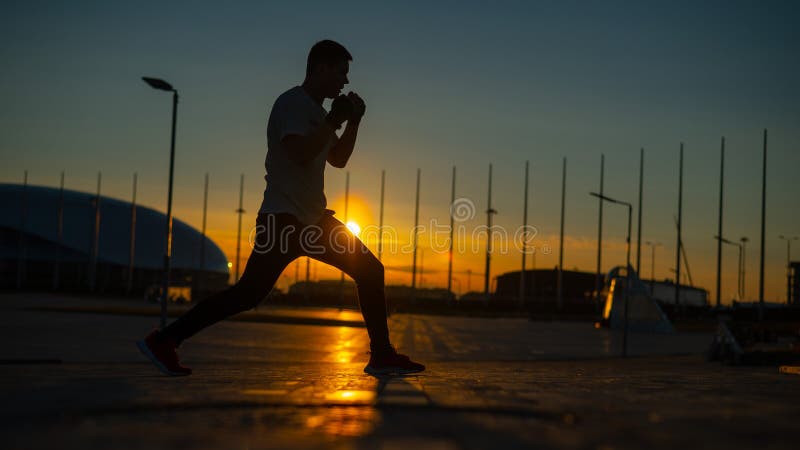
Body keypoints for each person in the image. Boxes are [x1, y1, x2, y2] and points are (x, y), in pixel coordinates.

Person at [137, 39, 424, 377]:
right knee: (247, 295)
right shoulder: (291, 104)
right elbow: (299, 153)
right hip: (283, 221)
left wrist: (354, 123)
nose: (345, 81)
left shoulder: (318, 113)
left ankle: (382, 355)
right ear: (319, 68)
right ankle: (165, 340)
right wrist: (333, 121)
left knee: (370, 271)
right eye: (340, 73)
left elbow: (338, 159)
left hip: (312, 221)